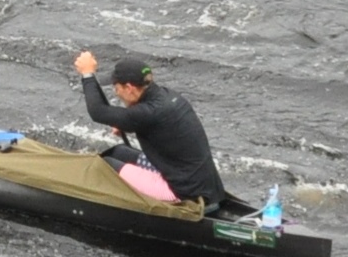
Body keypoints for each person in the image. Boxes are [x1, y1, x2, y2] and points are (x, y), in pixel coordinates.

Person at [71, 50, 234, 212]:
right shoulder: (167, 96)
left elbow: (97, 112)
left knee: (105, 166)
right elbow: (152, 124)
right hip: (203, 185)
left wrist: (87, 74)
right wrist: (125, 122)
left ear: (129, 88)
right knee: (119, 152)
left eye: (117, 88)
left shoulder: (147, 113)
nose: (116, 93)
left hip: (184, 194)